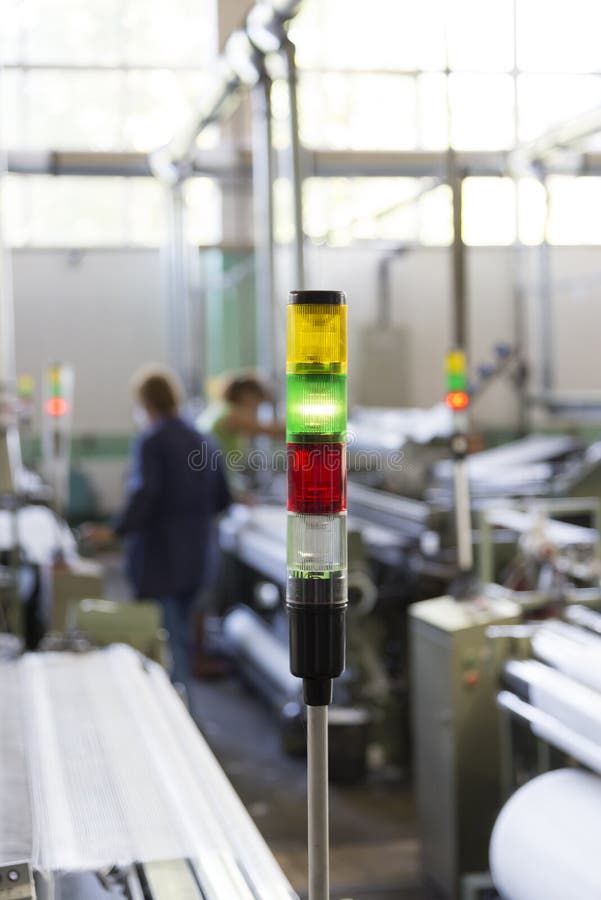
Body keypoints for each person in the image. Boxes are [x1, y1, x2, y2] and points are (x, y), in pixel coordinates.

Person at [85, 365, 231, 684]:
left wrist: (113, 531)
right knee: (184, 640)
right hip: (199, 557)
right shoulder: (204, 439)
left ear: (145, 403)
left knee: (167, 647)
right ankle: (186, 713)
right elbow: (223, 498)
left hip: (161, 560)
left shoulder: (151, 442)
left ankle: (180, 721)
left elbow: (145, 495)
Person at [197, 372, 285, 495]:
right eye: (258, 402)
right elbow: (272, 431)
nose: (257, 409)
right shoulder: (233, 415)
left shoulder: (222, 409)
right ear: (246, 395)